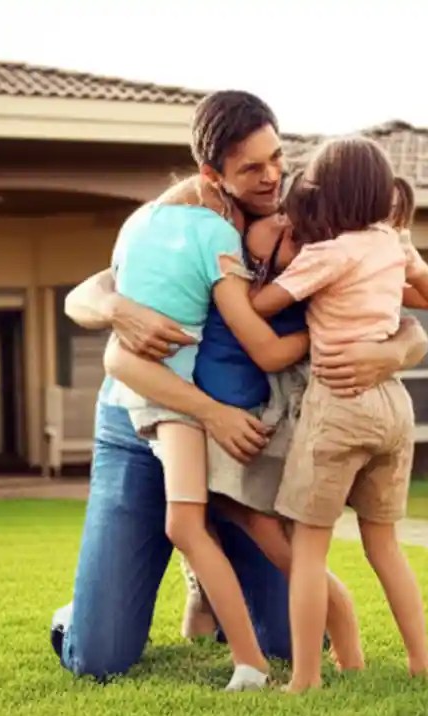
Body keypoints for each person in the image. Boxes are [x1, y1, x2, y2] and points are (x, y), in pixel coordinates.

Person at [49, 90, 428, 682]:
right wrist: (116, 308)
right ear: (213, 175)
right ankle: (93, 606)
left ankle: (209, 576)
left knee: (284, 639)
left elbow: (396, 308)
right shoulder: (188, 217)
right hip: (149, 419)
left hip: (244, 432)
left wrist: (394, 352)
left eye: (276, 157)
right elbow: (98, 309)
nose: (271, 176)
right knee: (99, 657)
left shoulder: (311, 209)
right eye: (252, 168)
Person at [101, 178, 368, 674]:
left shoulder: (298, 288)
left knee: (264, 534)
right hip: (186, 411)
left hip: (250, 423)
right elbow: (101, 301)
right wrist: (114, 306)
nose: (285, 229)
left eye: (297, 233)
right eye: (280, 221)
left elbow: (281, 346)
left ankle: (339, 621)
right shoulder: (220, 248)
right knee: (210, 516)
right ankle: (208, 593)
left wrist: (322, 335)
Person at [238, 137, 428, 692]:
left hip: (339, 402)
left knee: (309, 549)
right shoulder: (390, 243)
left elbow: (261, 305)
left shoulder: (328, 254)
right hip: (392, 405)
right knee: (385, 545)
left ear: (327, 193)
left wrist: (250, 277)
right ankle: (421, 663)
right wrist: (405, 263)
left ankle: (305, 678)